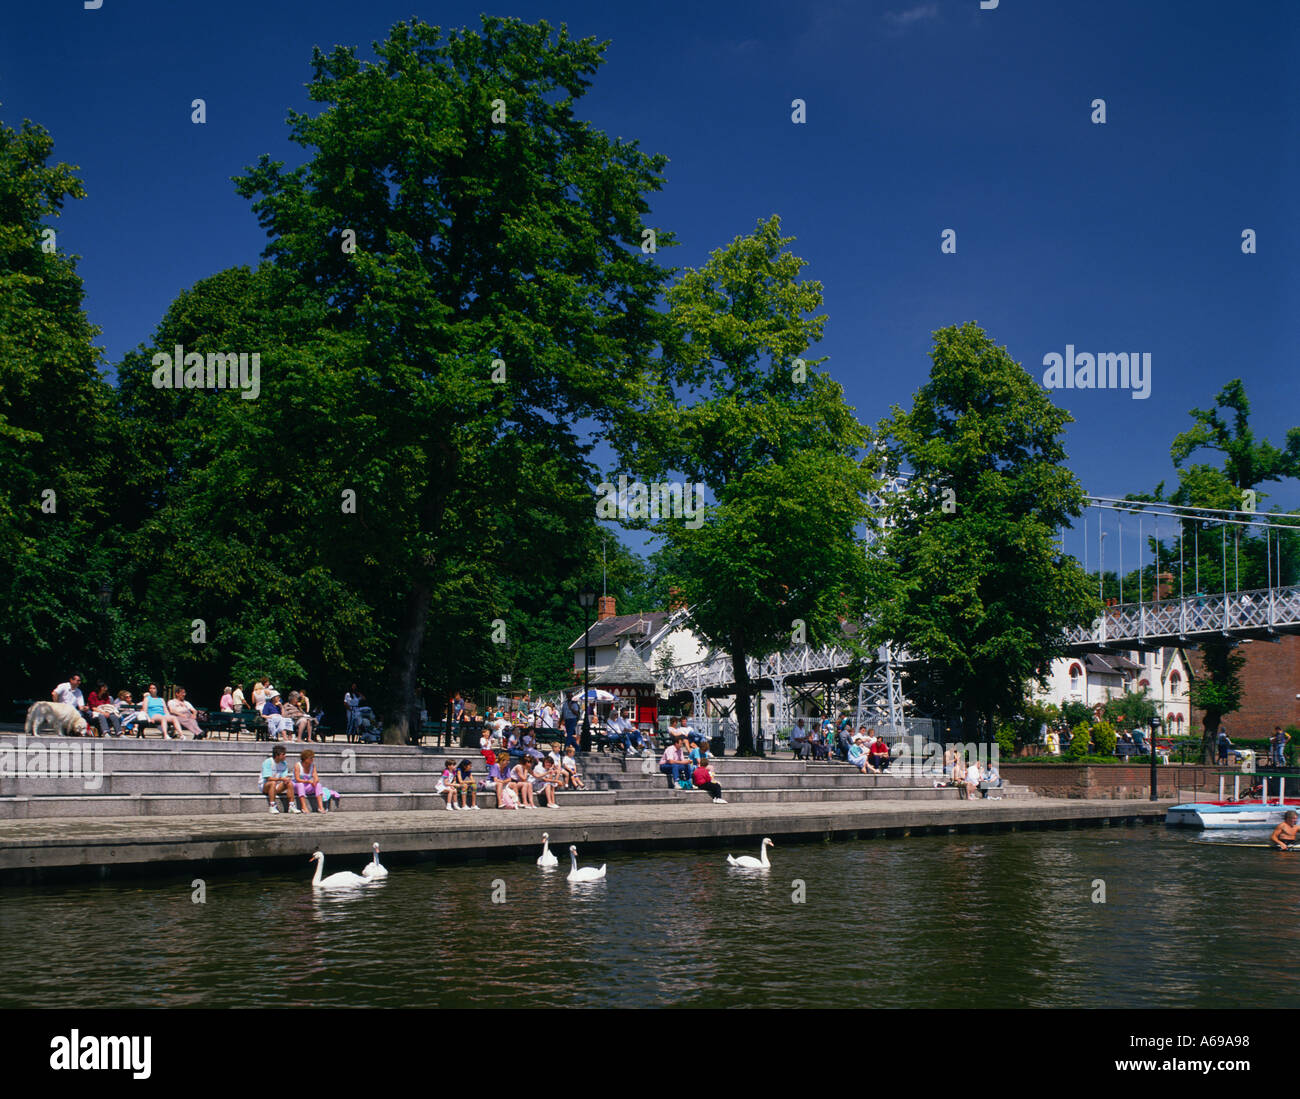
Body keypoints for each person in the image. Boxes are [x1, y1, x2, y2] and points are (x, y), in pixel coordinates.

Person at [260, 744, 298, 813]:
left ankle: (291, 806)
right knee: (272, 783)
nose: (285, 756)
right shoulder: (268, 762)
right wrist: (281, 779)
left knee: (289, 783)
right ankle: (272, 806)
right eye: (283, 754)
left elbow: (284, 777)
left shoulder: (284, 763)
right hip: (265, 786)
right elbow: (268, 778)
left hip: (277, 785)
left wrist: (286, 780)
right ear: (277, 755)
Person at [293, 749, 325, 813]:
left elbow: (315, 776)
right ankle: (303, 806)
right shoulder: (298, 765)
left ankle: (320, 807)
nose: (312, 759)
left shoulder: (313, 766)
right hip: (297, 785)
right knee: (300, 784)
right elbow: (297, 779)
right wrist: (308, 781)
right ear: (305, 758)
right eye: (311, 758)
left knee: (318, 785)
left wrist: (315, 781)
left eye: (313, 758)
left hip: (307, 786)